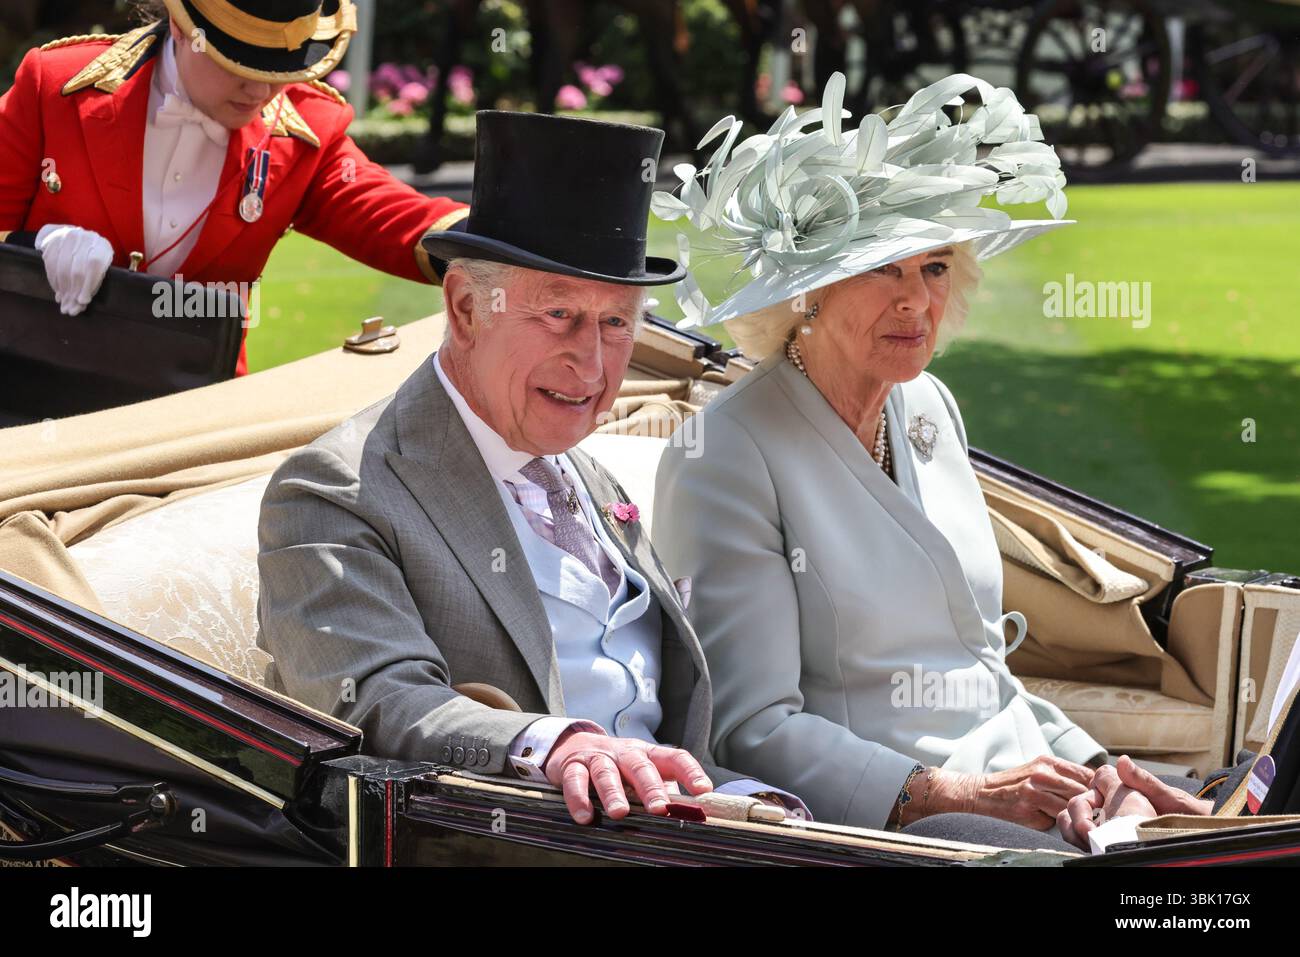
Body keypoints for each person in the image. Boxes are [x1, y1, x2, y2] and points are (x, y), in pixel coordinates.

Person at [256, 110, 804, 826]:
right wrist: (555, 745)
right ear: (463, 308)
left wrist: (756, 804)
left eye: (616, 322)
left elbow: (656, 726)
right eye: (558, 314)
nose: (594, 362)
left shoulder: (584, 473)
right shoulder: (337, 490)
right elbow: (379, 698)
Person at [652, 72, 1108, 839]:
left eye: (933, 267)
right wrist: (956, 793)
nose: (915, 302)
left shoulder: (928, 404)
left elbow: (980, 671)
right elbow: (748, 729)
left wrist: (1098, 769)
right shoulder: (727, 453)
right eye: (881, 267)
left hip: (1022, 794)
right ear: (809, 291)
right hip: (890, 827)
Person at [0, 0, 467, 374]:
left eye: (280, 70)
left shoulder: (306, 134)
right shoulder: (53, 87)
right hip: (32, 391)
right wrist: (29, 249)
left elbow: (396, 220)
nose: (261, 91)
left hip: (194, 417)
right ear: (182, 26)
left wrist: (511, 238)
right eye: (240, 64)